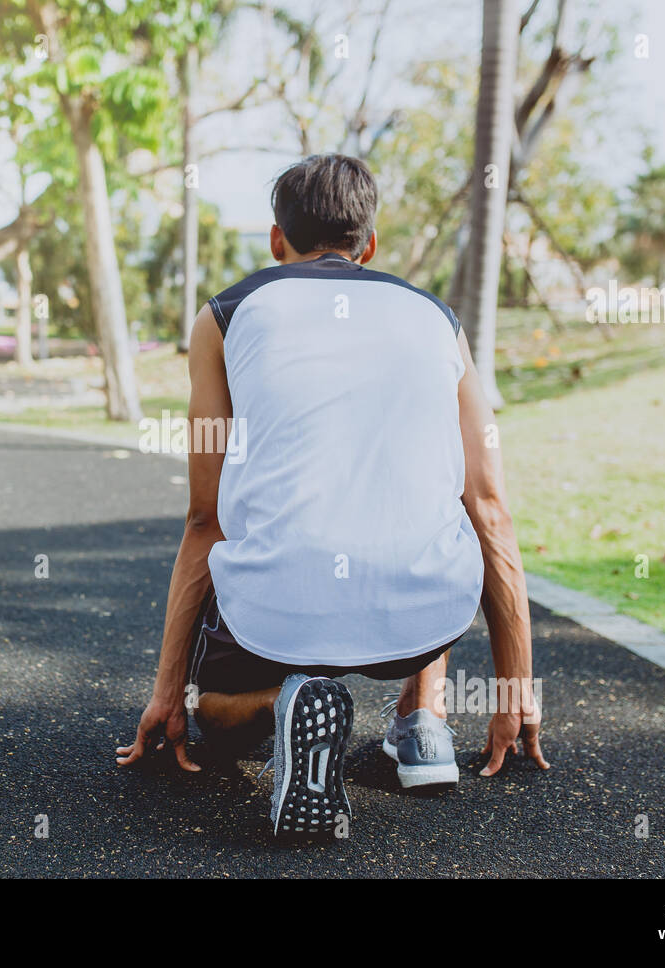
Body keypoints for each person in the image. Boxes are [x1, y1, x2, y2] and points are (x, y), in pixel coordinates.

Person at [117, 153, 549, 837]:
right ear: (368, 246)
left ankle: (286, 699)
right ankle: (423, 722)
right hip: (420, 616)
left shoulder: (225, 316)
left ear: (274, 241)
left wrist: (171, 692)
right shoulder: (435, 318)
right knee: (423, 505)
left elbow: (207, 515)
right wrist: (515, 689)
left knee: (215, 713)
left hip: (278, 611)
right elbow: (487, 505)